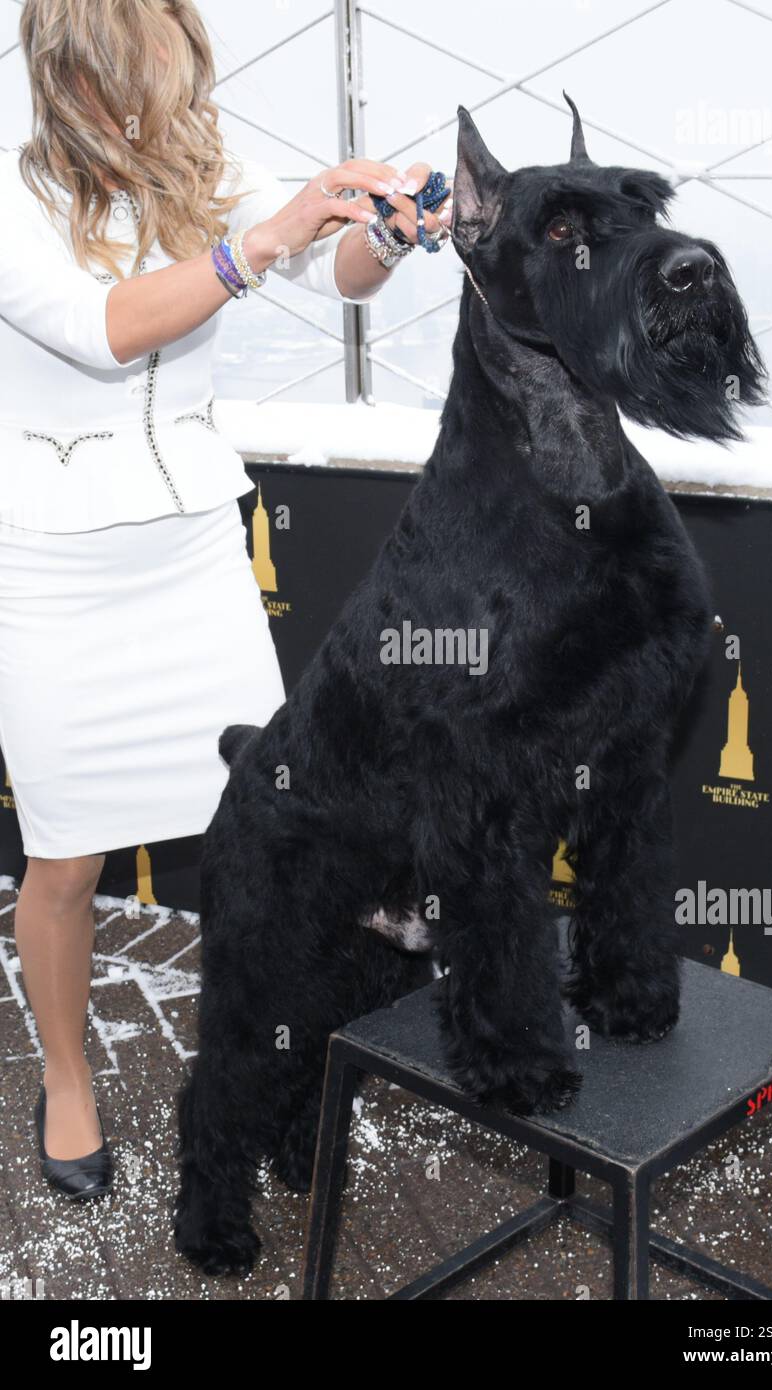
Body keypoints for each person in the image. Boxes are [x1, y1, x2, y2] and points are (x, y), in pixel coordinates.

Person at [0, 0, 451, 1198]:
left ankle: (266, 1068)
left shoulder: (200, 167)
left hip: (194, 559)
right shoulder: (9, 195)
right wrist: (257, 242)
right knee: (62, 862)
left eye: (177, 73)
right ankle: (65, 1076)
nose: (168, 103)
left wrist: (386, 229)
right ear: (74, 81)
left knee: (272, 838)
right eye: (140, 81)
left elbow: (341, 274)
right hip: (50, 571)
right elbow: (101, 331)